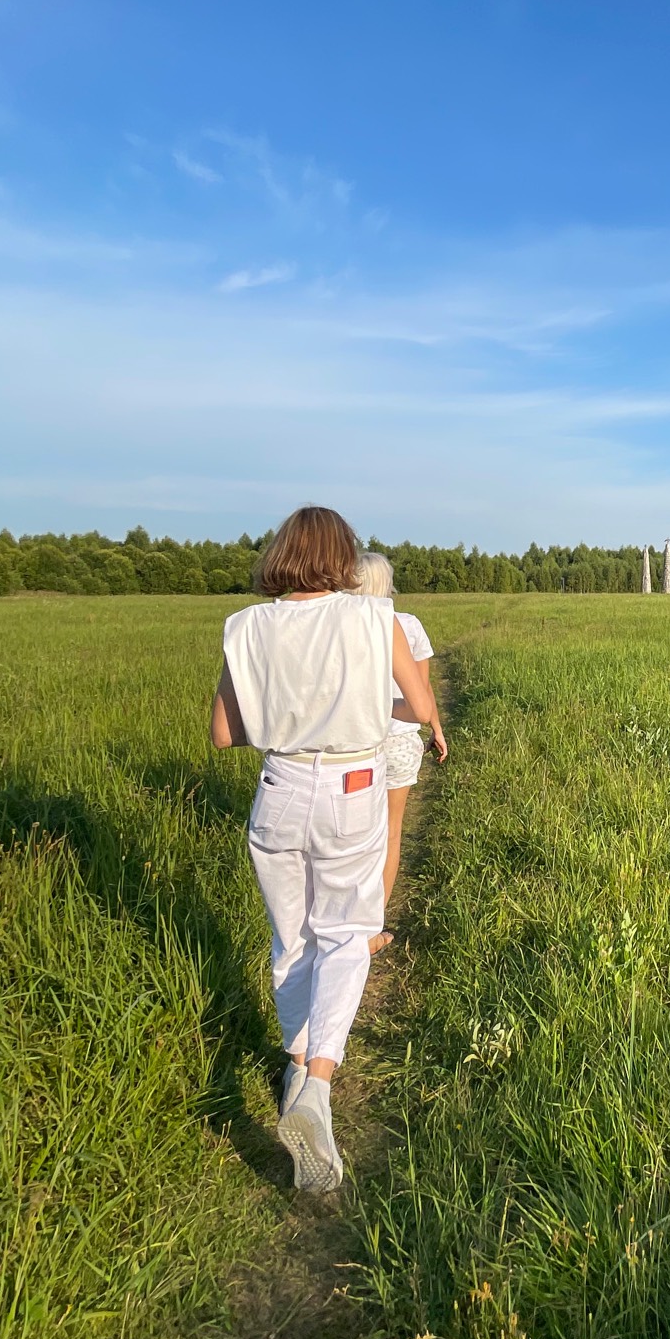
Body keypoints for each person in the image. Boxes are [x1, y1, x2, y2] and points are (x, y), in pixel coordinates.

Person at [210, 506, 434, 1192]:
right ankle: (318, 1087)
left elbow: (224, 733)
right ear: (343, 556)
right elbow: (421, 706)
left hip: (278, 786)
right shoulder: (378, 618)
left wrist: (292, 718)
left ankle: (294, 1064)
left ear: (281, 554)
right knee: (347, 932)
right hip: (352, 786)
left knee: (292, 939)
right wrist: (361, 709)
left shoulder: (246, 626)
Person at [351, 551, 447, 953]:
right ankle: (372, 929)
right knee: (391, 833)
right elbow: (421, 692)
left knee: (354, 836)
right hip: (402, 739)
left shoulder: (341, 627)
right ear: (387, 584)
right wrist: (437, 728)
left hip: (354, 744)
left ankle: (343, 924)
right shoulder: (407, 625)